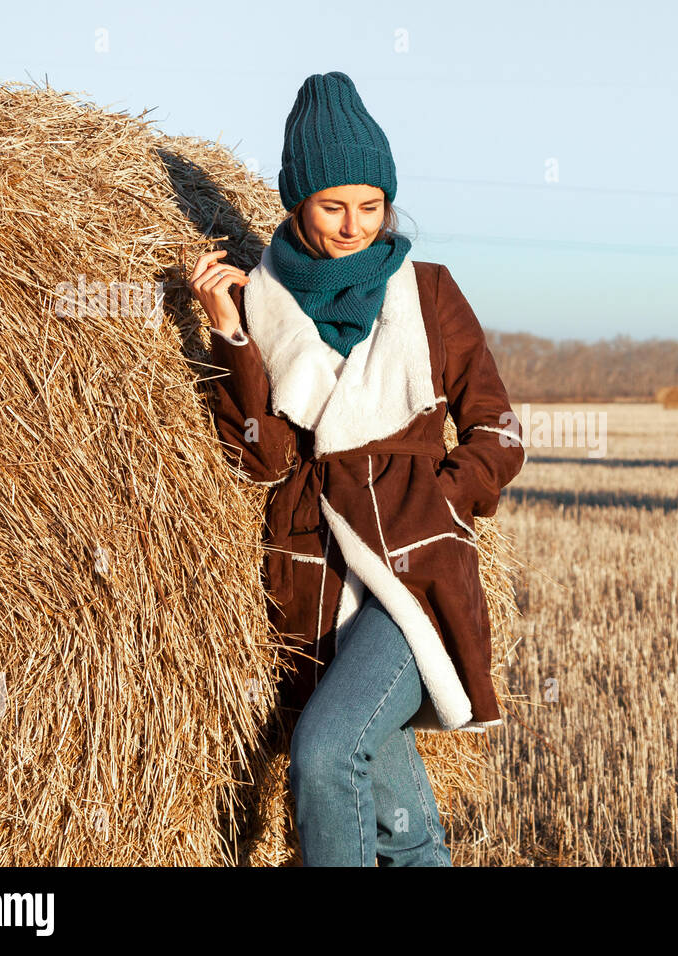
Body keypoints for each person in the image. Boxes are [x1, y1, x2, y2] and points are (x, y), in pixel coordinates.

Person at [191, 71, 526, 866]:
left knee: (327, 750)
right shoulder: (265, 301)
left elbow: (500, 429)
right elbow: (263, 456)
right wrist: (229, 335)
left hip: (414, 570)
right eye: (332, 206)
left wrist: (445, 499)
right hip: (315, 580)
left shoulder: (430, 294)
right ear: (296, 202)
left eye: (370, 206)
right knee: (401, 831)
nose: (353, 226)